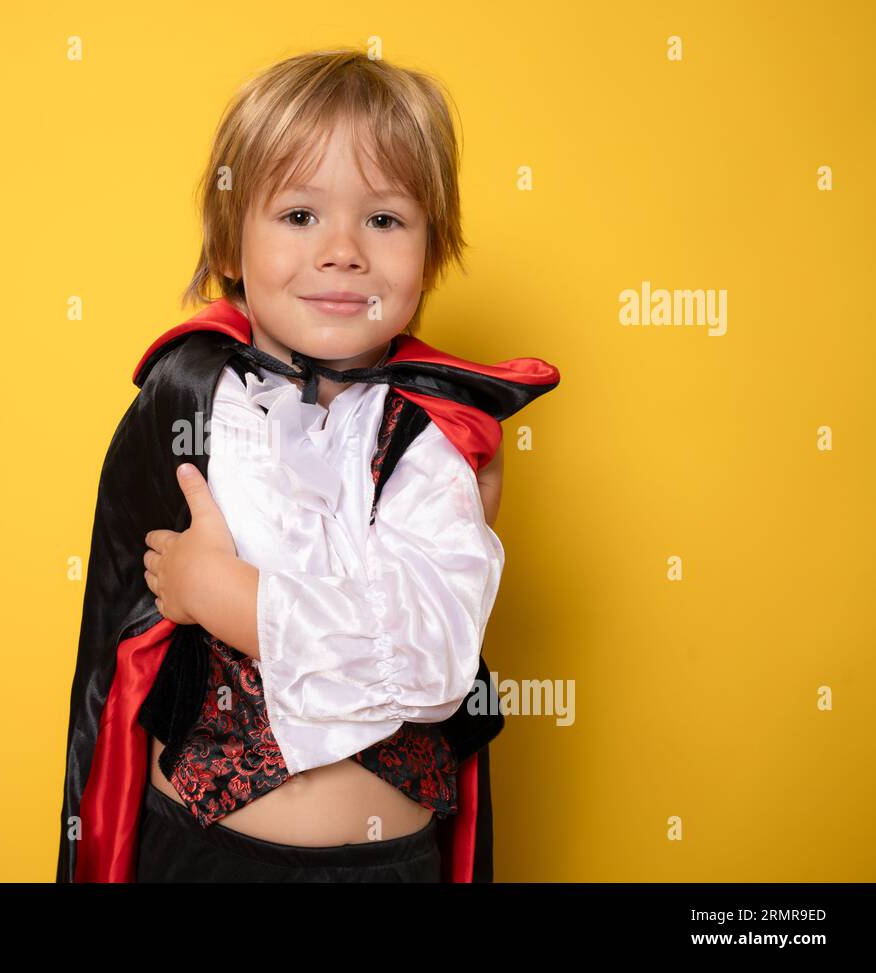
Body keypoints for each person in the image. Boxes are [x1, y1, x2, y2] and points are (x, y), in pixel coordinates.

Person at [57, 49, 560, 883]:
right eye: (298, 214)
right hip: (198, 856)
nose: (342, 250)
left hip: (385, 866)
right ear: (231, 240)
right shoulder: (188, 402)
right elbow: (121, 637)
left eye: (384, 219)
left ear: (431, 252)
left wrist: (217, 590)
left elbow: (426, 661)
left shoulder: (430, 436)